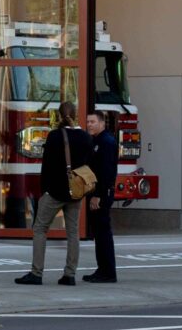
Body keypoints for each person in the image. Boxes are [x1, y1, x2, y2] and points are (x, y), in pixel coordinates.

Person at [15, 101, 90, 287]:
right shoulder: (85, 137)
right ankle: (70, 274)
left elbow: (46, 166)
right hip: (76, 191)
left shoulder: (55, 136)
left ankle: (36, 272)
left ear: (58, 116)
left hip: (55, 191)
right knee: (73, 232)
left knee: (40, 229)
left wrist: (44, 191)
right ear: (76, 114)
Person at [83, 109, 120, 284]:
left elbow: (106, 172)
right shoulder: (96, 140)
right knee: (99, 232)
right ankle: (102, 269)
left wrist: (98, 195)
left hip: (102, 192)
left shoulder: (106, 142)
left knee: (103, 232)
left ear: (102, 123)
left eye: (93, 122)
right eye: (88, 122)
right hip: (95, 191)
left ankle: (108, 272)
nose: (89, 125)